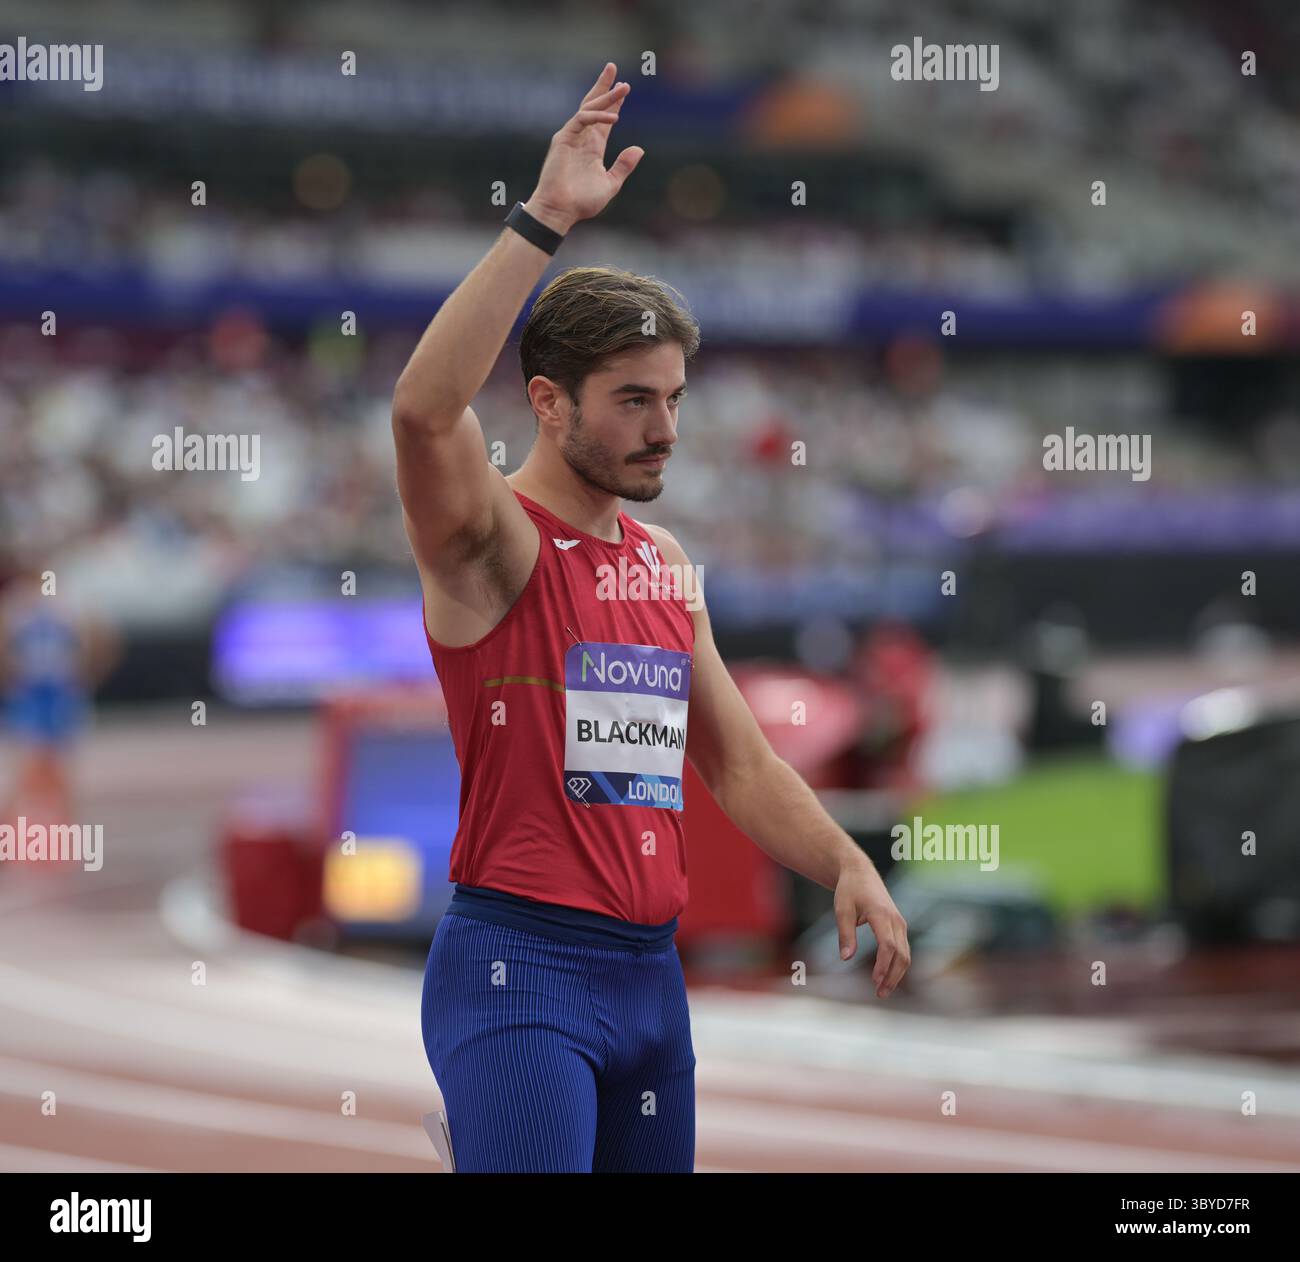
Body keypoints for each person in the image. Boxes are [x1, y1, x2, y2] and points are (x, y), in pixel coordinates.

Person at [395, 61, 910, 1173]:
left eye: (673, 397)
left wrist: (841, 859)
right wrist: (542, 222)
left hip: (650, 980)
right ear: (548, 401)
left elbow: (735, 763)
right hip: (518, 972)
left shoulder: (665, 564)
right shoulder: (494, 548)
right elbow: (423, 412)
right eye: (633, 398)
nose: (665, 427)